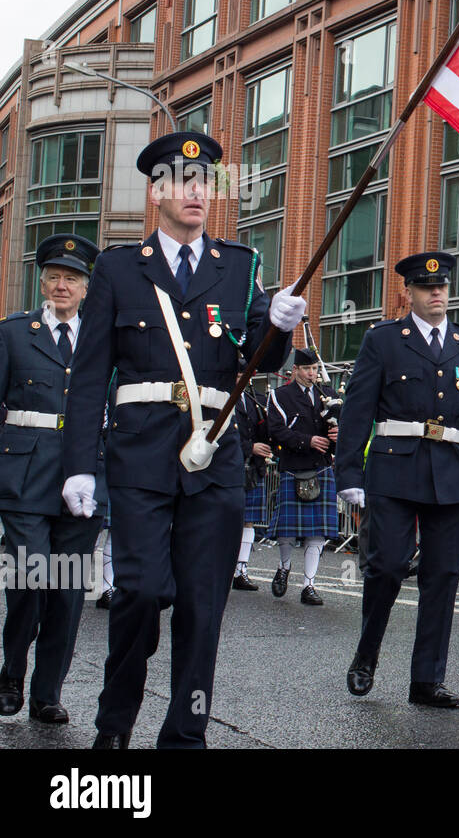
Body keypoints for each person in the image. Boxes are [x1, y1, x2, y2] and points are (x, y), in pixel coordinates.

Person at [61, 130, 304, 748]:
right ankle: (114, 724)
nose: (198, 192)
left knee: (202, 604)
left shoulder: (240, 267)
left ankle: (186, 733)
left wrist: (278, 330)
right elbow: (89, 376)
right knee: (139, 591)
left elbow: (260, 360)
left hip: (216, 456)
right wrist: (79, 466)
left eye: (207, 182)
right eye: (184, 181)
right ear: (157, 191)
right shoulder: (117, 268)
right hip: (141, 452)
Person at [336, 251, 459, 708]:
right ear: (410, 292)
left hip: (452, 473)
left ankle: (427, 680)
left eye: (442, 285)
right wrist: (349, 472)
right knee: (386, 567)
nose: (437, 293)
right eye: (427, 287)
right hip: (395, 468)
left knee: (442, 576)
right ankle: (367, 655)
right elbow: (357, 409)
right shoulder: (383, 340)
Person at [0, 235, 105, 724]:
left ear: (87, 287)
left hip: (84, 476)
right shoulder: (14, 333)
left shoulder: (103, 338)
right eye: (54, 276)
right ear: (41, 280)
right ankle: (12, 671)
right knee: (28, 574)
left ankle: (48, 693)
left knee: (66, 590)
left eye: (72, 278)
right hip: (23, 476)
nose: (61, 285)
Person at [266, 348, 338, 605]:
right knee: (287, 531)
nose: (311, 374)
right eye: (306, 369)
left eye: (315, 369)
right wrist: (307, 441)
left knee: (316, 532)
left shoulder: (328, 396)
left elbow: (340, 430)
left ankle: (309, 585)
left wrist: (336, 437)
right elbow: (276, 431)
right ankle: (284, 567)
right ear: (295, 370)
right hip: (293, 466)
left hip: (321, 467)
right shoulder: (279, 396)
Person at [231, 386, 272, 591]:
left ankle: (241, 571)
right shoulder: (224, 395)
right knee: (224, 519)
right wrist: (250, 447)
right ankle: (222, 568)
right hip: (229, 466)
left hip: (254, 467)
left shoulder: (254, 397)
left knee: (248, 521)